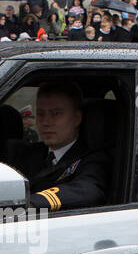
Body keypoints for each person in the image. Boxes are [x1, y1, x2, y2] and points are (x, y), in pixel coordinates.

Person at [8, 81, 110, 212]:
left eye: (56, 113)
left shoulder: (92, 159)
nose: (46, 122)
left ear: (76, 118)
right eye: (40, 114)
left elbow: (89, 189)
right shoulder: (25, 153)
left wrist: (31, 203)